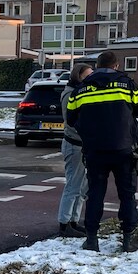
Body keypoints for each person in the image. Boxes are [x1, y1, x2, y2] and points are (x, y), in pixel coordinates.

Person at [66, 51, 138, 252]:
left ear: (96, 66)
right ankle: (128, 240)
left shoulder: (81, 89)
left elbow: (70, 119)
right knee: (127, 195)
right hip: (124, 149)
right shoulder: (128, 85)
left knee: (95, 194)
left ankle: (92, 239)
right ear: (116, 66)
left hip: (95, 150)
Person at [57, 63, 91, 238]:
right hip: (74, 144)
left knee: (81, 187)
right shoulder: (71, 94)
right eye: (87, 75)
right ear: (79, 76)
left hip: (82, 145)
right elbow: (71, 122)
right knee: (73, 185)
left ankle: (74, 221)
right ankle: (64, 223)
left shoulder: (82, 92)